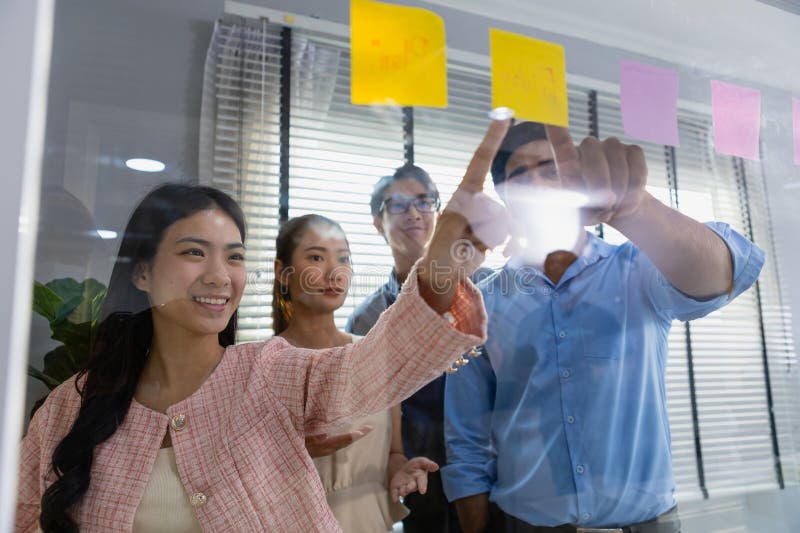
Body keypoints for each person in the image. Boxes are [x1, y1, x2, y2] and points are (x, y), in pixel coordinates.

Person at [16, 119, 507, 533]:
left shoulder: (271, 374)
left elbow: (378, 364)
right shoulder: (71, 409)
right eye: (193, 252)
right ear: (141, 272)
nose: (218, 275)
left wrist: (442, 259)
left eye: (233, 257)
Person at [442, 121, 765, 533]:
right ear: (506, 195)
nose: (539, 183)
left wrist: (634, 208)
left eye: (552, 169)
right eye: (520, 174)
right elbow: (466, 439)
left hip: (647, 524)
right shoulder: (480, 303)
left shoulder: (635, 269)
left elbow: (721, 275)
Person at [272, 213, 439, 532]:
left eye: (344, 258)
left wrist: (401, 472)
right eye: (316, 257)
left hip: (370, 520)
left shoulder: (375, 355)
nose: (334, 272)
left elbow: (392, 454)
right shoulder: (261, 364)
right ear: (283, 272)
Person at [348, 164, 490, 533]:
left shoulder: (491, 289)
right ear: (378, 223)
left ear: (438, 214)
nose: (413, 213)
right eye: (397, 205)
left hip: (496, 471)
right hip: (420, 479)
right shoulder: (368, 320)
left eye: (424, 202)